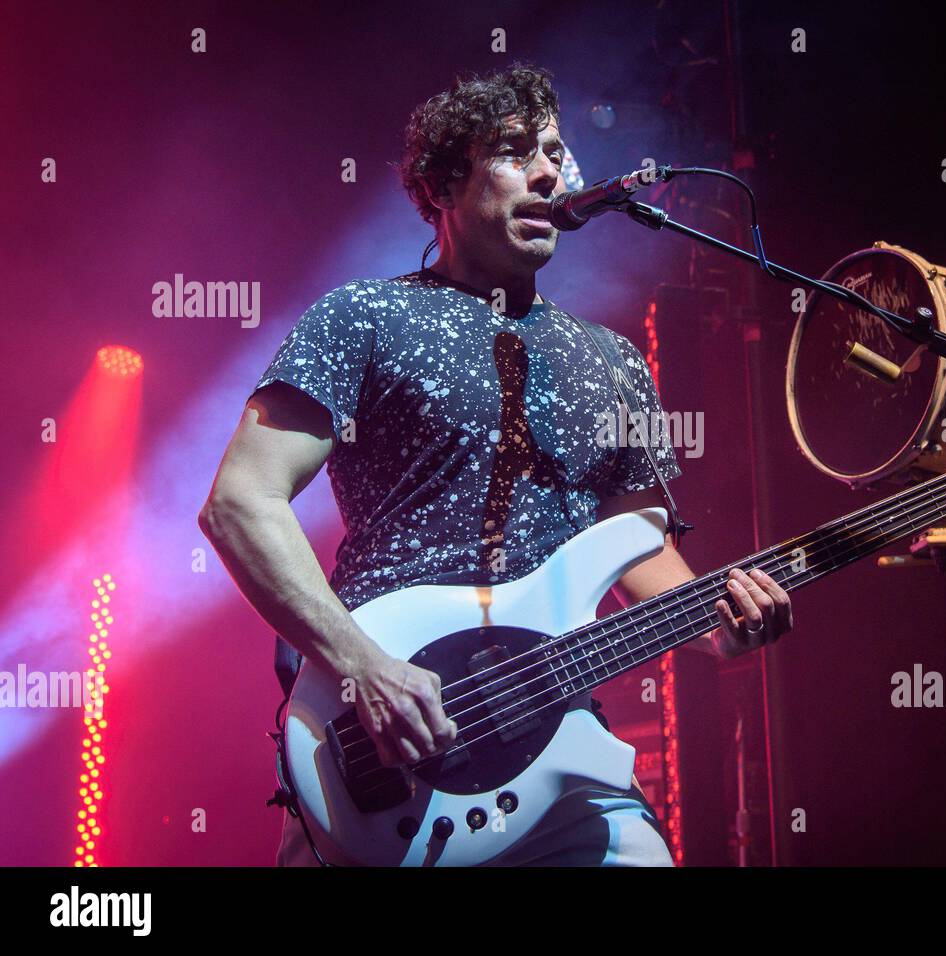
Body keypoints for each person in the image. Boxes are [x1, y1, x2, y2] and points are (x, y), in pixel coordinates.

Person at [198, 62, 793, 866]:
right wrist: (362, 666)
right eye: (516, 151)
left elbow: (641, 550)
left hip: (556, 747)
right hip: (383, 749)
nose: (550, 170)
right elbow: (241, 502)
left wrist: (718, 625)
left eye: (556, 151)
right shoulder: (364, 316)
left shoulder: (612, 360)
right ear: (443, 184)